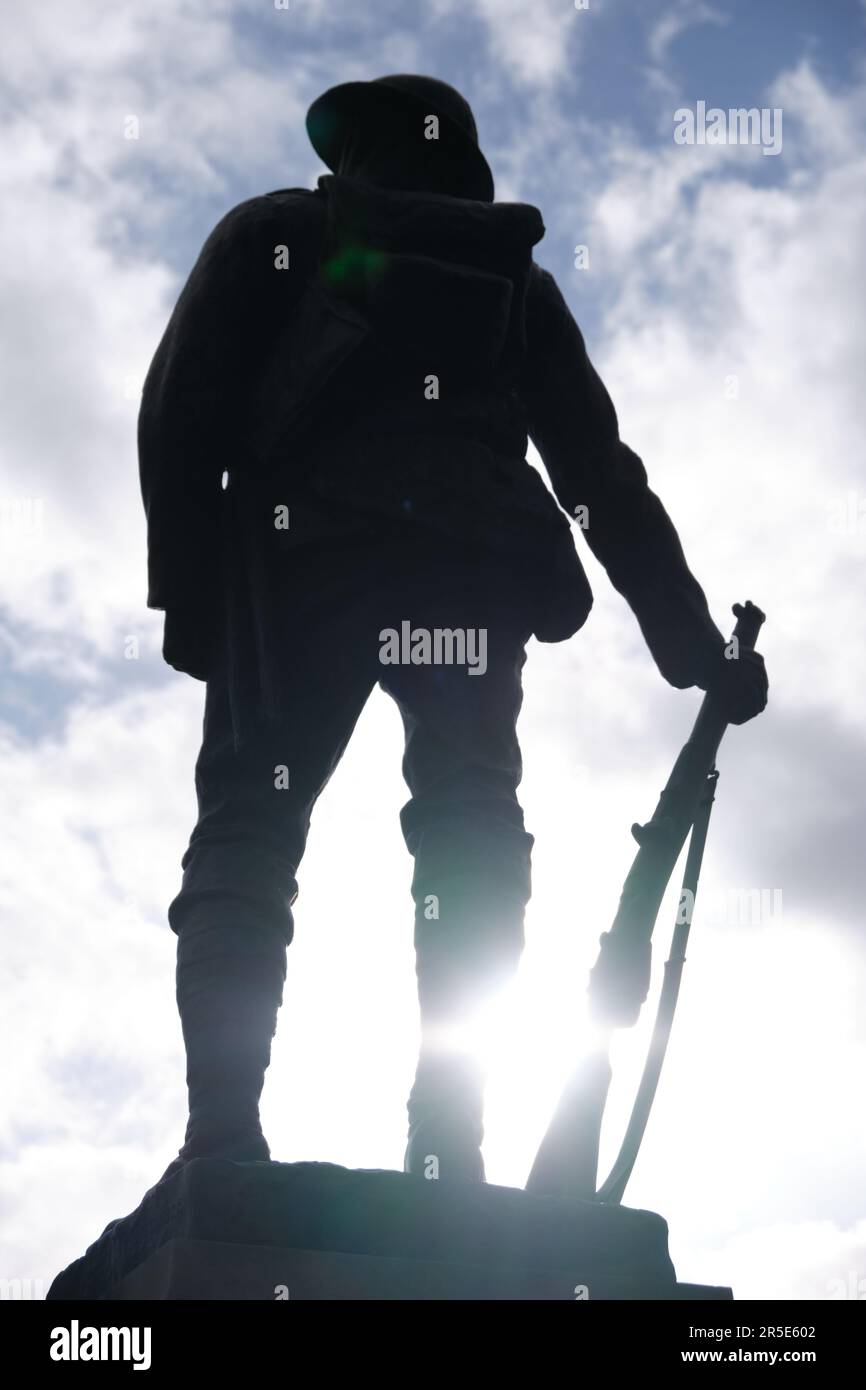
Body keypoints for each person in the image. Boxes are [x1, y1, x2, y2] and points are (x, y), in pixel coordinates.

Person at [138, 75, 768, 1184]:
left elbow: (177, 416)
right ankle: (448, 1144)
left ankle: (222, 1139)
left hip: (300, 568)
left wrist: (199, 605)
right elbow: (598, 481)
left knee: (250, 832)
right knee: (469, 830)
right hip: (466, 579)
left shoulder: (278, 233)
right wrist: (689, 647)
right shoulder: (510, 283)